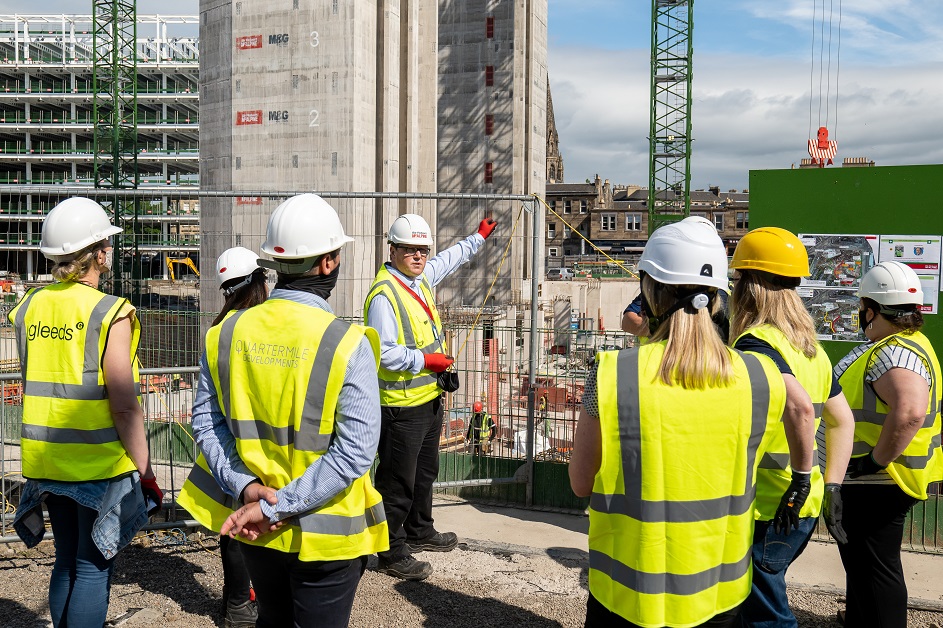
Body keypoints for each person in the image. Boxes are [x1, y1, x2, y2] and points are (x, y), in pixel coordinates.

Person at [569, 220, 788, 628]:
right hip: (720, 594)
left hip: (628, 596)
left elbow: (581, 483)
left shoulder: (614, 375)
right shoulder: (762, 377)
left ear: (651, 294)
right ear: (718, 298)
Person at [192, 194, 388, 628]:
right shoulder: (347, 343)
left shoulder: (225, 334)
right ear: (328, 262)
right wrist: (277, 507)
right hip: (326, 536)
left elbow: (207, 423)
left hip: (257, 530)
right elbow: (356, 452)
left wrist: (247, 490)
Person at [9, 197, 160, 627]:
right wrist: (145, 469)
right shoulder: (109, 311)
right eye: (105, 244)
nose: (109, 250)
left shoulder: (30, 306)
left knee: (66, 559)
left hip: (48, 458)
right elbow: (124, 405)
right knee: (93, 565)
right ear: (97, 254)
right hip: (98, 462)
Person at [728, 227, 855, 628]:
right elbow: (842, 419)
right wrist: (830, 485)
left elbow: (798, 407)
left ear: (748, 287)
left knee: (765, 615)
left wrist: (799, 480)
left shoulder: (756, 345)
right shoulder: (810, 349)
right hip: (802, 504)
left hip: (771, 505)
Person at [365, 212, 497, 580]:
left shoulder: (417, 280)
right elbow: (383, 352)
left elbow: (448, 260)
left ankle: (419, 530)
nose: (419, 256)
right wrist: (426, 361)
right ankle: (390, 551)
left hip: (427, 400)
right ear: (392, 250)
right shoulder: (385, 295)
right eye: (410, 249)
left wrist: (477, 239)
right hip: (400, 407)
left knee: (424, 474)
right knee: (397, 482)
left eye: (422, 250)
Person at [833, 260, 942, 628]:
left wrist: (874, 462)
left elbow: (910, 412)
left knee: (876, 567)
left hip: (879, 480)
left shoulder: (893, 353)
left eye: (862, 306)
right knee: (864, 563)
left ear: (871, 309)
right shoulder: (908, 344)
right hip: (882, 478)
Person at [177, 246, 268, 628]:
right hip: (264, 444)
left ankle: (237, 604)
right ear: (260, 283)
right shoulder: (266, 327)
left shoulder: (219, 331)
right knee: (254, 529)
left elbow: (206, 408)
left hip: (229, 446)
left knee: (235, 528)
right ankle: (245, 604)